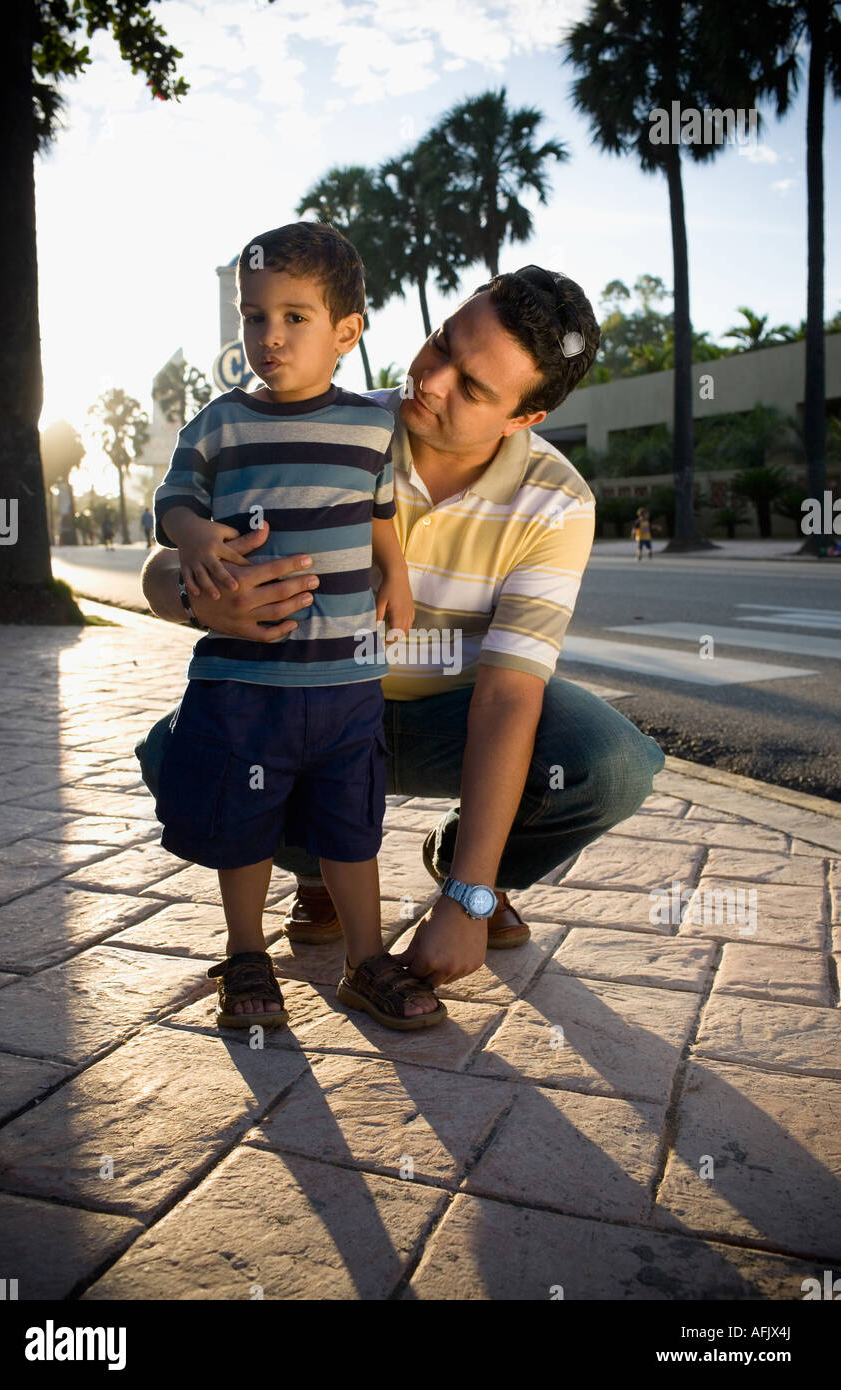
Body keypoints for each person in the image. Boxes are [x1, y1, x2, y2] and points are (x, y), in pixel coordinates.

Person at [139, 261, 665, 1001]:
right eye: (442, 343)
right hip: (306, 701)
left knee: (608, 764)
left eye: (473, 388)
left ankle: (463, 866)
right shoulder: (319, 416)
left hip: (450, 711)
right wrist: (201, 602)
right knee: (176, 754)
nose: (433, 380)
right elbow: (161, 565)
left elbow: (510, 695)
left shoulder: (556, 501)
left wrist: (470, 895)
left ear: (523, 419)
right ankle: (317, 870)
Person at [151, 220, 446, 1033]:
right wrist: (192, 534)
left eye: (293, 317)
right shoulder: (220, 423)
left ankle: (366, 960)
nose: (267, 337)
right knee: (242, 824)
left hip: (348, 681)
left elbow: (380, 513)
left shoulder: (371, 426)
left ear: (346, 332)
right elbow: (173, 501)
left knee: (353, 828)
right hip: (243, 680)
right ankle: (246, 950)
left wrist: (397, 573)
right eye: (253, 317)